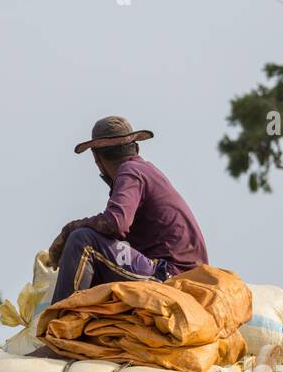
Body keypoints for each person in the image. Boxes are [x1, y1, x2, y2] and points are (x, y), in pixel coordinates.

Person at [46, 116, 209, 306]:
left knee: (82, 240)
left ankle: (57, 320)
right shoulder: (144, 170)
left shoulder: (130, 171)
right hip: (182, 273)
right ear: (136, 148)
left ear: (97, 159)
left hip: (172, 275)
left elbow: (116, 223)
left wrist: (69, 230)